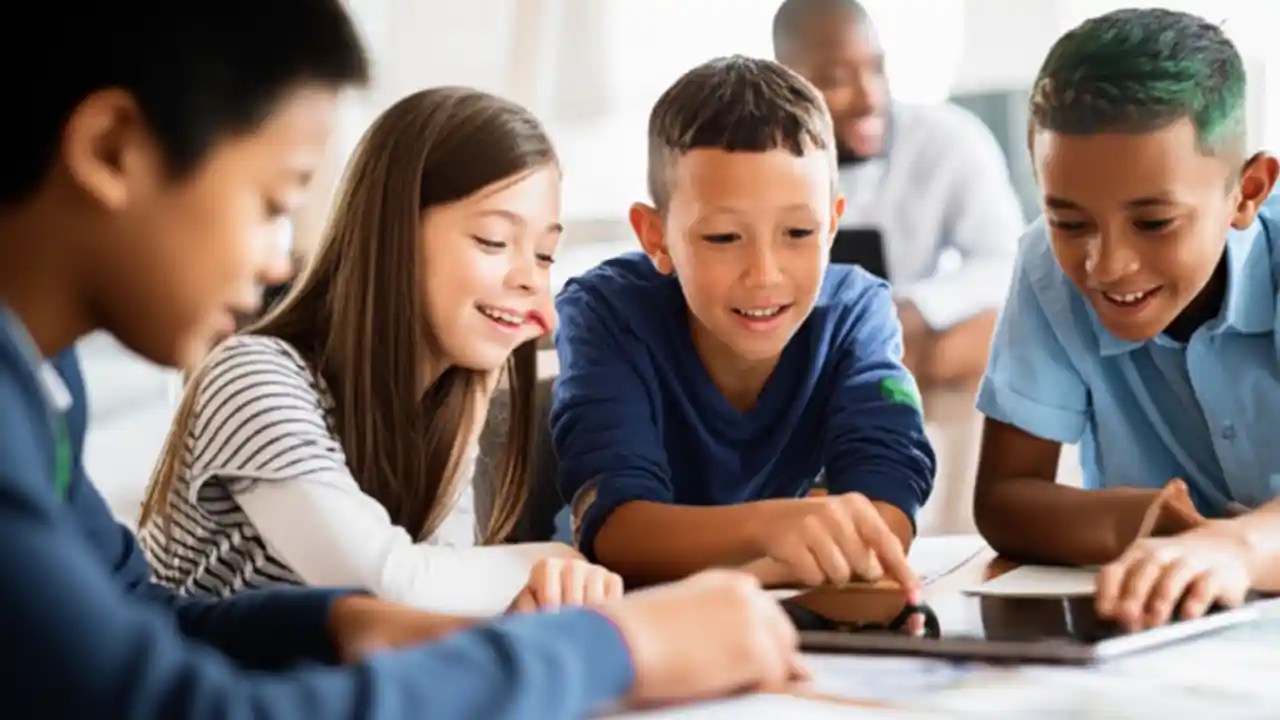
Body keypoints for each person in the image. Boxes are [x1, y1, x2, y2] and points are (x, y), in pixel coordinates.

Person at [0, 4, 806, 717]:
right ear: (110, 150)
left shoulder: (44, 380)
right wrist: (616, 646)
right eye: (273, 204)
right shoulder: (247, 373)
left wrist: (345, 622)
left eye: (545, 254)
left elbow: (143, 613)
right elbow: (161, 702)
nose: (280, 258)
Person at [138, 87, 623, 617]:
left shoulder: (446, 400)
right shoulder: (251, 377)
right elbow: (388, 583)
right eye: (492, 240)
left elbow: (433, 609)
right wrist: (558, 560)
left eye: (546, 254)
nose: (532, 280)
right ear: (393, 233)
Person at [550, 55, 936, 593]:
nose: (764, 276)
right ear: (655, 237)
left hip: (773, 614)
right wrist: (775, 526)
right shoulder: (606, 312)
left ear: (831, 225)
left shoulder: (855, 312)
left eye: (798, 232)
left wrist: (772, 560)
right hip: (625, 613)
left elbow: (887, 498)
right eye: (724, 238)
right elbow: (617, 529)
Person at [972, 7, 1280, 633]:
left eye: (1153, 222)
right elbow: (1004, 501)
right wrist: (1148, 522)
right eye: (1069, 221)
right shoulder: (1044, 267)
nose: (1106, 265)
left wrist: (1240, 546)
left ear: (1246, 192)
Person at [772, 0, 1025, 388]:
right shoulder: (755, 161)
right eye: (837, 79)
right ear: (786, 85)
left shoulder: (949, 139)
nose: (870, 98)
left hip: (919, 346)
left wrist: (915, 309)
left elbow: (1006, 259)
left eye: (876, 69)